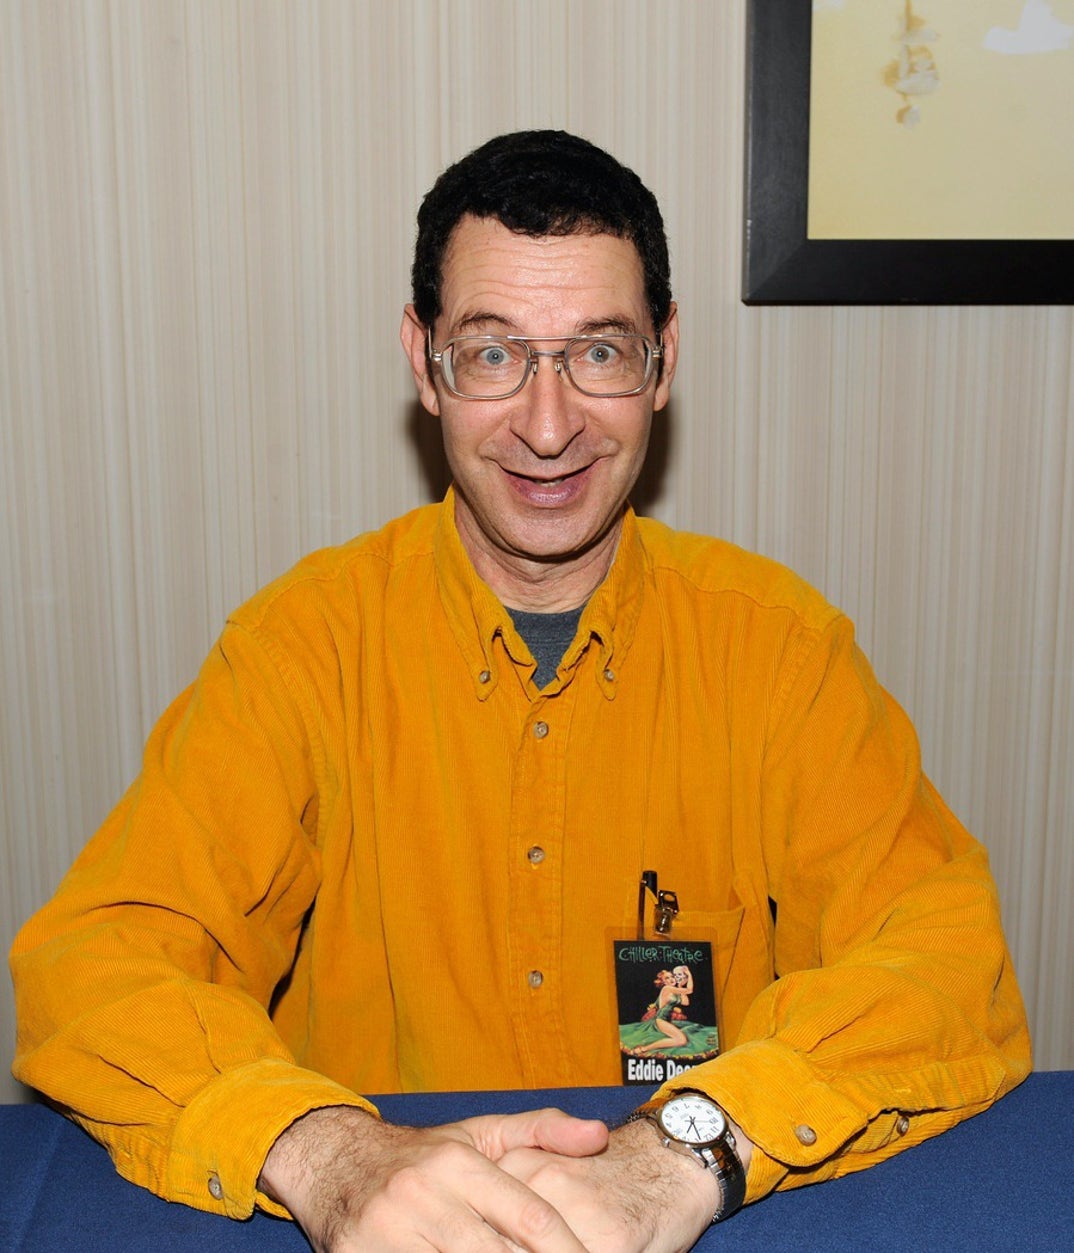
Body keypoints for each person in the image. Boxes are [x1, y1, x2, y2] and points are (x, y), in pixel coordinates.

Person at [10, 130, 1030, 1251]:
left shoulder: (781, 651)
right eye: (493, 354)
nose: (549, 428)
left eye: (599, 351)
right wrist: (331, 1153)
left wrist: (689, 1146)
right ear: (424, 361)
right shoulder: (301, 649)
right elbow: (99, 964)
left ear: (664, 360)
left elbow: (945, 960)